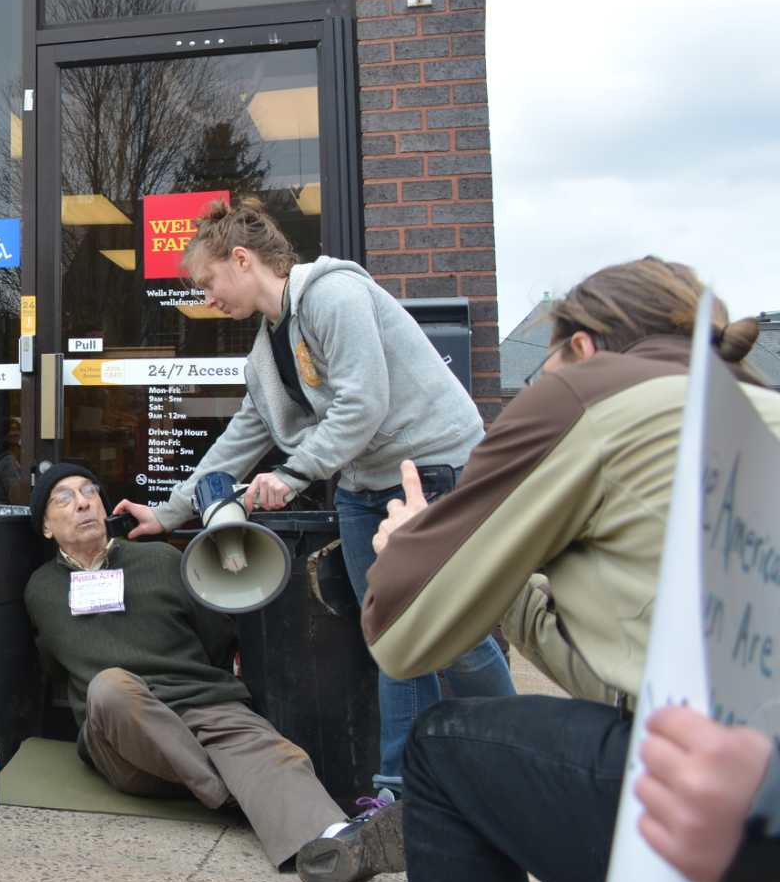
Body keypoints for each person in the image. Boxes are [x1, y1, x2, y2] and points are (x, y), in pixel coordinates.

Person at [361, 257, 780, 882]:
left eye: (543, 369)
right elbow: (627, 668)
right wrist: (497, 575)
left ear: (579, 347)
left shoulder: (587, 389)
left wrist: (409, 545)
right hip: (762, 785)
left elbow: (403, 633)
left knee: (442, 748)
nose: (538, 386)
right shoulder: (749, 407)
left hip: (729, 804)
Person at [108, 198, 515, 804]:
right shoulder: (266, 351)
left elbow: (363, 402)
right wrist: (169, 511)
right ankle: (406, 794)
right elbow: (241, 440)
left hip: (430, 471)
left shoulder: (333, 295)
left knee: (445, 625)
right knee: (391, 630)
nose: (206, 295)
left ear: (241, 259)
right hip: (361, 487)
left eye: (208, 280)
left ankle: (515, 746)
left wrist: (294, 474)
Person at [24, 462, 403, 882]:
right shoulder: (41, 591)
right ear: (45, 528)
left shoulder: (162, 560)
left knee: (267, 750)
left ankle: (333, 847)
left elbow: (216, 637)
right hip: (126, 739)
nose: (83, 503)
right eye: (65, 499)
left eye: (89, 492)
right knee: (109, 686)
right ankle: (232, 793)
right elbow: (54, 666)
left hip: (202, 704)